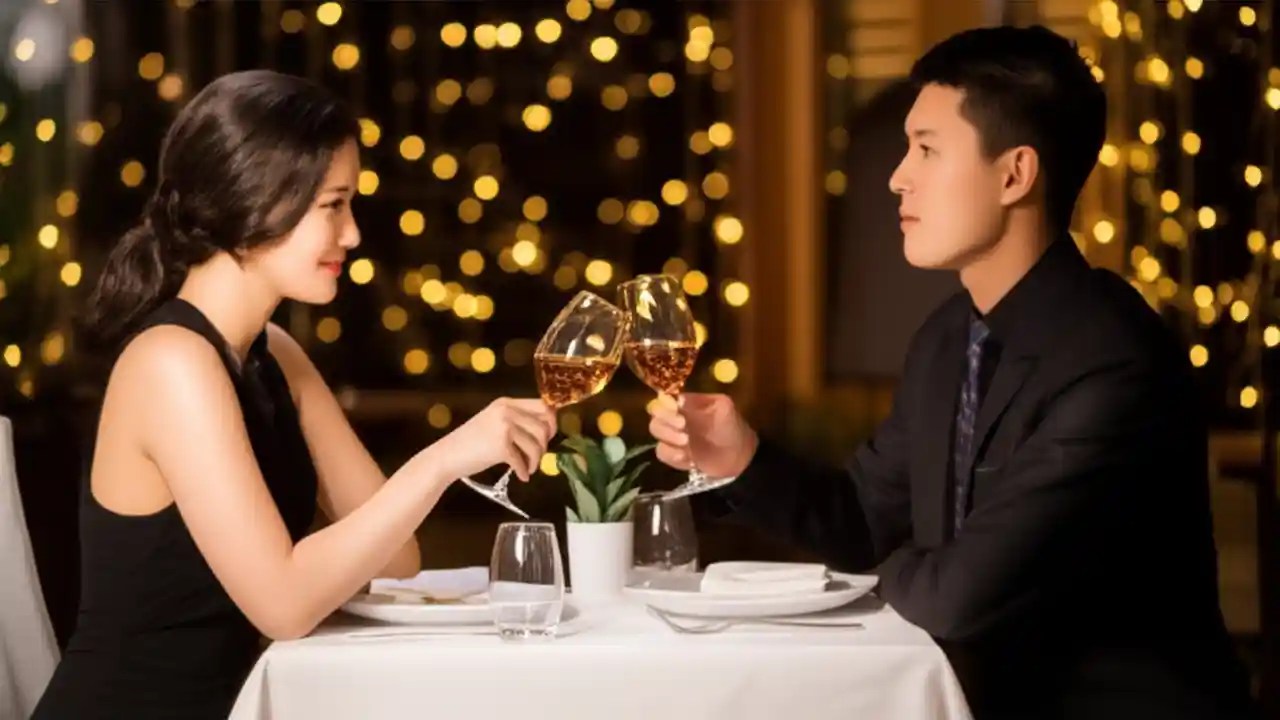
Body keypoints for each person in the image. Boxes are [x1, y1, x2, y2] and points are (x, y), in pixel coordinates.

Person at [647, 25, 1258, 720]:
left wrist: (877, 570)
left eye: (927, 149)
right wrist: (743, 459)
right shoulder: (948, 338)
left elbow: (958, 599)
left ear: (1014, 175)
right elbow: (863, 520)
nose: (897, 176)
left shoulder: (1113, 363)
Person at [32, 70, 556, 719]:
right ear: (254, 199)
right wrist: (441, 460)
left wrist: (433, 471)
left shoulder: (274, 353)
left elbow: (397, 558)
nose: (353, 234)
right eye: (333, 206)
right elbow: (282, 606)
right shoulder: (170, 363)